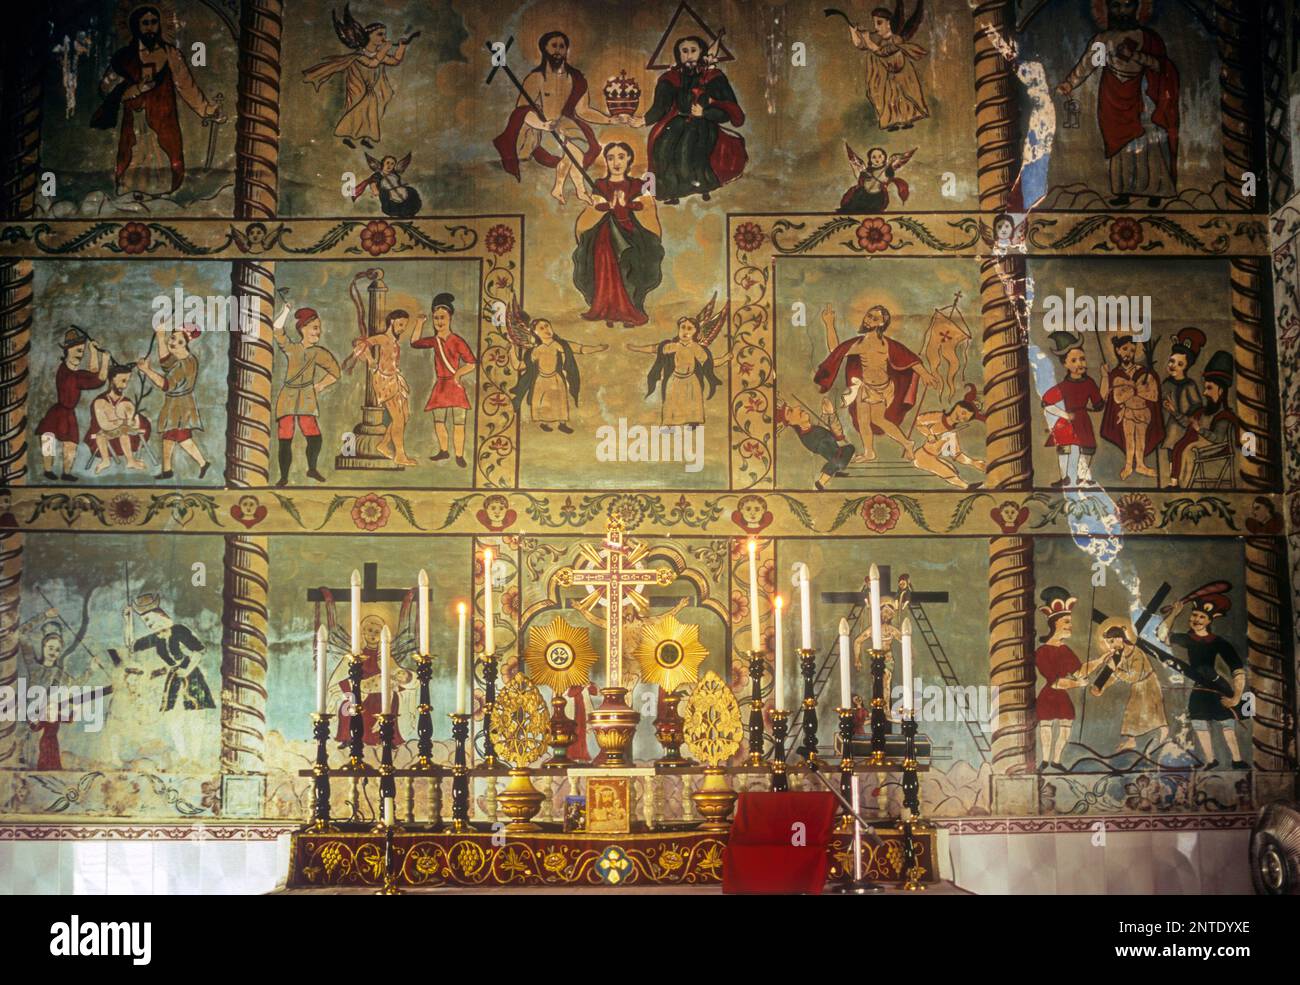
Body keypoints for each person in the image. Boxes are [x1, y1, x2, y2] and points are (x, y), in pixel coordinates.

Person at [90, 4, 225, 196]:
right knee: (134, 154)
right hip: (135, 118)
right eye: (145, 23)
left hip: (163, 116)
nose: (150, 27)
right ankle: (130, 192)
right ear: (136, 26)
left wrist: (207, 110)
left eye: (154, 22)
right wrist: (136, 89)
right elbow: (106, 88)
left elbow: (186, 86)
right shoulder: (123, 57)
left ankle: (162, 194)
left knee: (165, 154)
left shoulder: (171, 54)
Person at [1056, 0, 1180, 207]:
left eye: (1127, 5)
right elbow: (1087, 64)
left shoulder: (1148, 39)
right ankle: (1123, 191)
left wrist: (1136, 56)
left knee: (1151, 143)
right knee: (1121, 145)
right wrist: (1069, 83)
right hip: (1113, 94)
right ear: (1107, 9)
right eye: (1116, 6)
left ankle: (1155, 191)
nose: (1122, 11)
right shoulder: (1104, 40)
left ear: (1137, 8)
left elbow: (1161, 67)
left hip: (1143, 94)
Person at [492, 31, 621, 204]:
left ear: (567, 50)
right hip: (540, 127)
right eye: (554, 46)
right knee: (573, 152)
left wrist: (608, 119)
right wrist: (543, 126)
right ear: (544, 49)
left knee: (580, 149)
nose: (558, 50)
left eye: (562, 46)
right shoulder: (536, 78)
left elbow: (583, 111)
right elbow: (522, 112)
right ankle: (578, 191)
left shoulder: (576, 78)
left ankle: (560, 189)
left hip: (565, 126)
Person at [815, 302, 938, 463]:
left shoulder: (886, 344)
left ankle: (901, 444)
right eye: (868, 315)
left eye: (874, 318)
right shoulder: (859, 343)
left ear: (881, 323)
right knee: (868, 420)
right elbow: (836, 350)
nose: (868, 320)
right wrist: (829, 324)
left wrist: (926, 374)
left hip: (883, 388)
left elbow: (909, 358)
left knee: (876, 420)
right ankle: (876, 451)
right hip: (866, 388)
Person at [632, 35, 747, 205]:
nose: (689, 55)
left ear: (701, 52)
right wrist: (644, 120)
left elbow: (728, 110)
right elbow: (661, 106)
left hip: (703, 126)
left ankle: (699, 187)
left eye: (693, 50)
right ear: (679, 55)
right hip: (677, 122)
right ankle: (670, 192)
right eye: (684, 51)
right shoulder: (671, 78)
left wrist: (705, 113)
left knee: (685, 149)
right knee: (662, 148)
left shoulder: (713, 77)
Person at [573, 142, 664, 327]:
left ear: (629, 158)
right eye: (611, 157)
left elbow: (646, 209)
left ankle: (632, 310)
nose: (616, 162)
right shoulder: (600, 184)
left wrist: (626, 207)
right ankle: (608, 311)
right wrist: (607, 207)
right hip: (605, 239)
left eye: (621, 156)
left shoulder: (638, 184)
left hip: (632, 236)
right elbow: (594, 209)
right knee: (605, 268)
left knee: (631, 269)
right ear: (606, 161)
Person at [1155, 587, 1246, 769]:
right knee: (1198, 722)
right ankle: (1211, 760)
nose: (1196, 620)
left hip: (1218, 686)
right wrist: (1175, 613)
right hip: (1200, 686)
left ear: (1210, 620)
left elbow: (1238, 670)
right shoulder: (1188, 639)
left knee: (1226, 725)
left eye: (1201, 617)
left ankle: (1237, 761)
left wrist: (1236, 697)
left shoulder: (1219, 642)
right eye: (1194, 615)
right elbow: (1161, 635)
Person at [302, 8, 414, 149]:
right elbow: (372, 64)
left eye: (384, 34)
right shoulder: (360, 55)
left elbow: (395, 61)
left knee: (372, 111)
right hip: (359, 88)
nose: (383, 38)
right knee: (355, 110)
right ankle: (347, 136)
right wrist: (384, 49)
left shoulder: (379, 55)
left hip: (371, 89)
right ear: (369, 36)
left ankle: (367, 137)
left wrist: (402, 47)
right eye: (379, 34)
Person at [271, 303, 341, 486]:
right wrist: (286, 310)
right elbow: (277, 329)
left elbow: (335, 372)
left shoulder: (319, 353)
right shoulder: (292, 349)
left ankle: (312, 469)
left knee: (314, 436)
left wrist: (320, 385)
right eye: (315, 328)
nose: (318, 332)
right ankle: (284, 477)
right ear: (303, 329)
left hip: (307, 396)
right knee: (285, 436)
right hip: (288, 395)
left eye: (319, 328)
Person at [1077, 620, 1168, 755]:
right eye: (1108, 642)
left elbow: (1133, 676)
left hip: (1149, 684)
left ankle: (1164, 733)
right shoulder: (1118, 654)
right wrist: (1101, 687)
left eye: (1112, 641)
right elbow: (1113, 675)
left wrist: (1116, 670)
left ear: (1120, 638)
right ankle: (1132, 741)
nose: (1110, 646)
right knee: (1131, 712)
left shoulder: (1136, 653)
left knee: (1154, 712)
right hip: (1138, 686)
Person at [628, 310, 728, 428]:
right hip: (675, 380)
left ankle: (692, 423)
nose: (685, 331)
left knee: (692, 402)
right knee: (671, 403)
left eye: (689, 329)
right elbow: (655, 349)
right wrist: (636, 348)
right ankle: (668, 425)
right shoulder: (673, 346)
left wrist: (724, 358)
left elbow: (709, 364)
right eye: (683, 327)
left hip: (692, 381)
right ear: (679, 329)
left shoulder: (696, 348)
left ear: (696, 332)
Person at [135, 322, 209, 480]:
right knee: (173, 437)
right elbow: (165, 362)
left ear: (186, 344)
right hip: (175, 403)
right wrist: (161, 337)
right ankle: (170, 470)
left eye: (179, 341)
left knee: (178, 436)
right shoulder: (181, 358)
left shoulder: (185, 364)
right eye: (172, 338)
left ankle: (199, 463)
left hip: (181, 405)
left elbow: (166, 384)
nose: (173, 343)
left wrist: (147, 370)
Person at [411, 293, 476, 467]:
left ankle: (460, 455)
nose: (439, 321)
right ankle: (444, 451)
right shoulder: (434, 340)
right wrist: (419, 323)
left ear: (450, 318)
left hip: (454, 385)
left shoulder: (457, 341)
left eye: (443, 317)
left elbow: (471, 363)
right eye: (436, 318)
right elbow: (414, 342)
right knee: (439, 421)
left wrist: (457, 375)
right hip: (441, 384)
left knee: (459, 422)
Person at [510, 318, 607, 433]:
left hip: (556, 379)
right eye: (541, 328)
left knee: (560, 401)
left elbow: (580, 349)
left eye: (547, 325)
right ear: (535, 332)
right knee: (541, 402)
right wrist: (511, 350)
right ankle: (543, 423)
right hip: (540, 380)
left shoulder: (559, 345)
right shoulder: (536, 350)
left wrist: (597, 348)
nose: (546, 329)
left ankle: (562, 424)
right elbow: (519, 366)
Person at [37, 327, 109, 481]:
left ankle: (66, 473)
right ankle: (48, 470)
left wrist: (93, 352)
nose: (80, 354)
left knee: (71, 444)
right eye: (77, 350)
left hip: (69, 413)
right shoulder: (67, 372)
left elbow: (93, 373)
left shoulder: (76, 373)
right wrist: (106, 360)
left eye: (82, 351)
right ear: (67, 350)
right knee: (48, 438)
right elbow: (99, 379)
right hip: (58, 411)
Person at [349, 309, 419, 467]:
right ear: (392, 322)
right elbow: (360, 344)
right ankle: (400, 455)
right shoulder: (383, 338)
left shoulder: (393, 341)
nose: (402, 328)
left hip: (395, 379)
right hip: (385, 381)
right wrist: (370, 361)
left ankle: (383, 444)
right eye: (400, 324)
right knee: (399, 419)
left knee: (405, 416)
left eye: (404, 326)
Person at [124, 593, 215, 712]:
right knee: (167, 708)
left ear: (159, 615)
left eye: (148, 619)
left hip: (190, 671)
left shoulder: (178, 630)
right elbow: (131, 646)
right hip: (174, 673)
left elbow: (199, 651)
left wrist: (187, 670)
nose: (148, 624)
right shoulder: (156, 638)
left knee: (196, 705)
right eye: (145, 621)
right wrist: (128, 621)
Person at [848, 4, 930, 131]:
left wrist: (869, 41)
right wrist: (853, 31)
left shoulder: (896, 39)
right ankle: (892, 122)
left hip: (901, 76)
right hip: (888, 79)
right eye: (875, 23)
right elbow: (861, 45)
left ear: (889, 24)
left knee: (903, 99)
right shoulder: (880, 41)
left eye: (879, 23)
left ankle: (907, 120)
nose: (876, 27)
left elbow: (884, 52)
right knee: (889, 99)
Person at [1040, 330, 1104, 488]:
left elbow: (1099, 404)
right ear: (1065, 364)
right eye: (1074, 360)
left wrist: (1106, 378)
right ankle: (1065, 478)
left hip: (1082, 419)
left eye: (1082, 359)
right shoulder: (1064, 386)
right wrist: (1064, 415)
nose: (1080, 363)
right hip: (1067, 421)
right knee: (1064, 450)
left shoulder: (1089, 383)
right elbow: (1046, 403)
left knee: (1088, 448)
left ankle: (1082, 477)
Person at [1169, 350, 1241, 488]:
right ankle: (1174, 484)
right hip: (1201, 444)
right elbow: (1187, 423)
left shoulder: (1223, 416)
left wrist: (1199, 429)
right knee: (1180, 446)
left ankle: (1185, 486)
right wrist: (1174, 412)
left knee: (1189, 450)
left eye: (1209, 388)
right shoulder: (1202, 412)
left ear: (1221, 391)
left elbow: (1218, 439)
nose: (1204, 393)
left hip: (1214, 447)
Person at [1099, 335, 1164, 480]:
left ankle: (1140, 464)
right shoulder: (1114, 374)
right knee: (1129, 439)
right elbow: (1103, 396)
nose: (1128, 353)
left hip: (1142, 412)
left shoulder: (1142, 371)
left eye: (1132, 350)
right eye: (1125, 349)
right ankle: (1128, 465)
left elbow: (1153, 393)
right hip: (1127, 412)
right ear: (1117, 350)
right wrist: (1104, 377)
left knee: (1141, 438)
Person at [1034, 586, 1085, 771]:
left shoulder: (1065, 650)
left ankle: (1056, 760)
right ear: (1055, 623)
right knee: (1046, 727)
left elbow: (1080, 671)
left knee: (1066, 725)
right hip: (1049, 694)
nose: (1070, 625)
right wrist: (1077, 683)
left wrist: (1102, 660)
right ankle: (1045, 760)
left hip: (1062, 694)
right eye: (1066, 621)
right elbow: (1055, 682)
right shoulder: (1042, 651)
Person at [910, 385, 985, 489]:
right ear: (956, 407)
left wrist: (973, 462)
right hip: (922, 456)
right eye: (962, 412)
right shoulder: (939, 417)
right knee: (947, 472)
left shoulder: (952, 434)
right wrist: (929, 435)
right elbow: (919, 421)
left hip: (932, 458)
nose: (961, 417)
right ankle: (967, 487)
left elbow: (957, 455)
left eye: (965, 418)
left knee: (952, 469)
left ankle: (969, 487)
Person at [85, 362, 150, 473]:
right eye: (122, 381)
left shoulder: (127, 402)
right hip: (104, 434)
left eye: (127, 381)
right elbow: (104, 424)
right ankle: (105, 460)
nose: (125, 386)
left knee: (124, 431)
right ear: (112, 380)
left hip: (125, 434)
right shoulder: (100, 401)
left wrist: (130, 421)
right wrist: (123, 421)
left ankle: (130, 461)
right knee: (103, 434)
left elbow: (133, 423)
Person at [777, 397, 854, 490]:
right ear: (789, 422)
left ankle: (836, 469)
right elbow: (828, 435)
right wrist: (832, 421)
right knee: (839, 458)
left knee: (849, 449)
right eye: (790, 411)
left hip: (832, 447)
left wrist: (828, 413)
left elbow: (824, 428)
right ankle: (821, 482)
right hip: (831, 450)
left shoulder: (811, 429)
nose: (798, 407)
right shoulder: (809, 438)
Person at [1160, 327, 1204, 487]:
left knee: (1177, 448)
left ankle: (1174, 482)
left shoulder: (1189, 385)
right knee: (1171, 450)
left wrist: (1177, 412)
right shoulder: (1166, 384)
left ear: (1185, 367)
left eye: (1179, 363)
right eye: (1172, 361)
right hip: (1171, 425)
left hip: (1187, 427)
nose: (1173, 365)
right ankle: (1174, 482)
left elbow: (1197, 408)